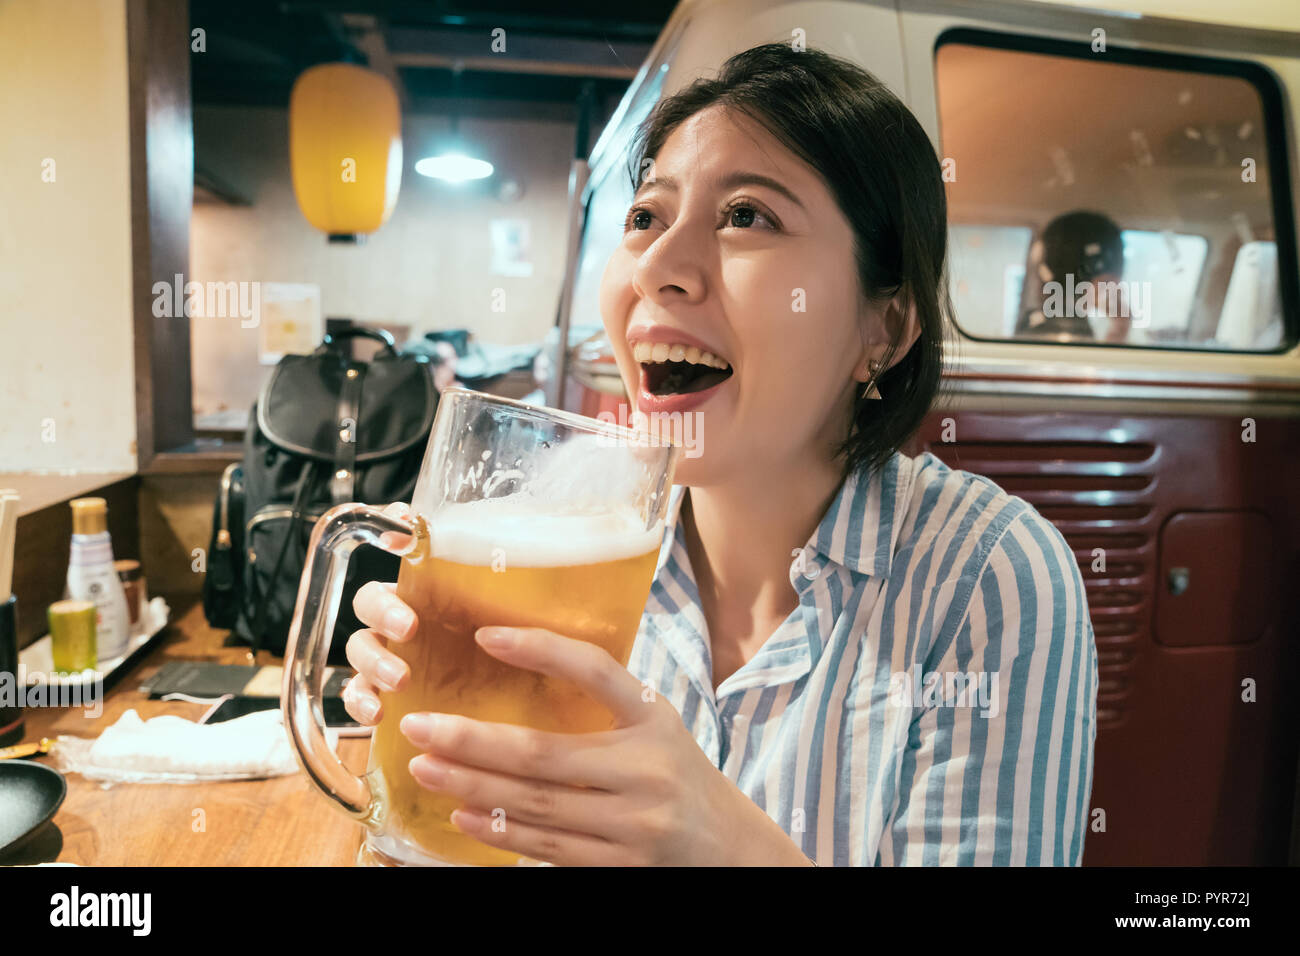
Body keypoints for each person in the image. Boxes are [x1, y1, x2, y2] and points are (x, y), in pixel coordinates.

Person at [341, 42, 1098, 866]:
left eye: (747, 215)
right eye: (645, 217)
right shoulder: (569, 511)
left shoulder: (985, 575)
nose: (659, 267)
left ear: (883, 329)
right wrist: (431, 735)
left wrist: (719, 844)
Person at [1015, 210, 1131, 343]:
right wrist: (1120, 329)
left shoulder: (1038, 327)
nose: (1118, 283)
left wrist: (1120, 328)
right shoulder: (1072, 333)